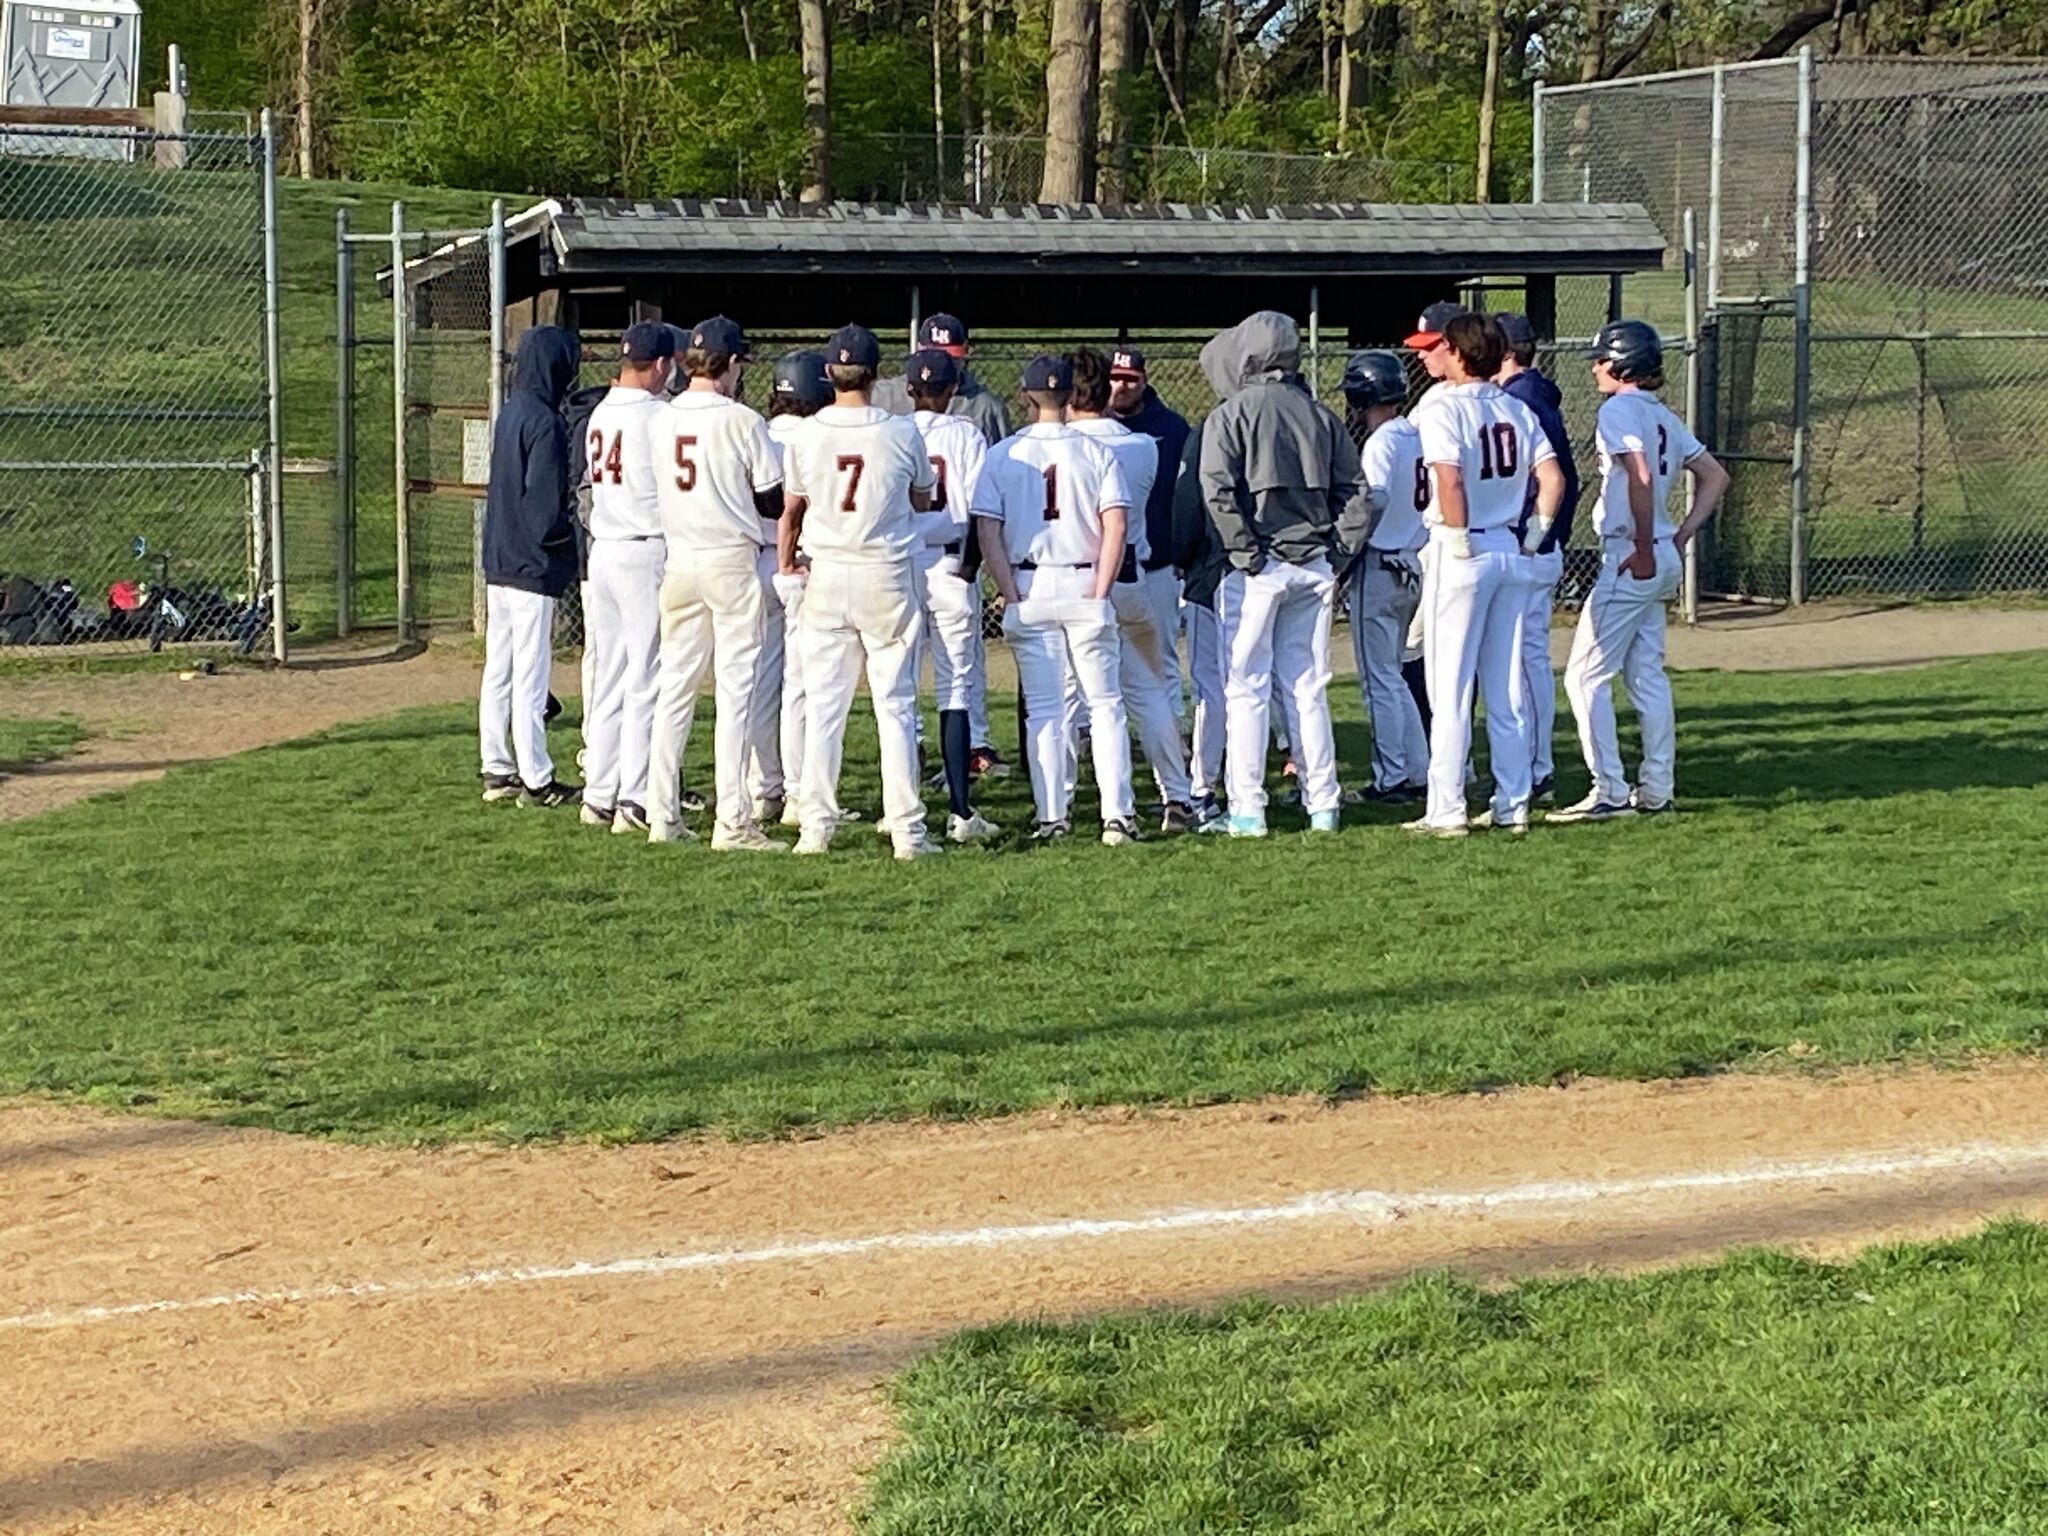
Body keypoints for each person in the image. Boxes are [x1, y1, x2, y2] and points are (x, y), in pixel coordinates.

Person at [1196, 310, 1370, 838]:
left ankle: (1248, 810)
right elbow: (1357, 493)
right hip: (1312, 565)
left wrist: (1246, 553)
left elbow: (1216, 490)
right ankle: (1324, 805)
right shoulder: (1320, 416)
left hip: (1257, 570)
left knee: (1246, 689)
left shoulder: (1229, 416)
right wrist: (1336, 553)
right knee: (1307, 688)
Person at [779, 323, 942, 860]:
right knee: (894, 706)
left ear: (830, 374)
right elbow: (924, 498)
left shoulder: (807, 434)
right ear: (875, 375)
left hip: (827, 567)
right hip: (885, 571)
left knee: (825, 705)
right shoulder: (901, 432)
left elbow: (794, 507)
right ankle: (907, 832)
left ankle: (815, 827)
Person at [1555, 319, 1730, 822]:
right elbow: (1715, 476)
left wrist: (1648, 544)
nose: (1594, 367)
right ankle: (1657, 789)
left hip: (1632, 553)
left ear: (1621, 364)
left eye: (1601, 359)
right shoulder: (1663, 416)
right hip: (1658, 548)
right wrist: (1677, 536)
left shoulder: (1618, 409)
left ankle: (1609, 790)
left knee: (1584, 677)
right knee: (1647, 676)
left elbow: (1640, 474)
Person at [1407, 312, 1566, 838]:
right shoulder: (1513, 406)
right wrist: (1534, 538)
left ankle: (1447, 807)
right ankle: (1512, 801)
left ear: (1456, 352)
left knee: (1449, 685)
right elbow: (1553, 479)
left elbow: (1448, 480)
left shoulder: (1440, 406)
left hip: (1465, 546)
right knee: (1505, 686)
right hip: (1509, 545)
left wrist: (1456, 540)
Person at [972, 354, 1138, 845]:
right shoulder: (1095, 452)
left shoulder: (1004, 454)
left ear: (1026, 396)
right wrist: (1101, 589)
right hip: (1085, 581)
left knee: (1045, 709)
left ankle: (1052, 817)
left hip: (1030, 584)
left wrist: (1008, 593)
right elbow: (1117, 525)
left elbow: (988, 530)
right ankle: (1117, 817)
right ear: (1071, 396)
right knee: (1105, 704)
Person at [645, 315, 785, 851]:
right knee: (736, 693)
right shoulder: (743, 420)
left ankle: (662, 813)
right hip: (729, 558)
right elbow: (771, 498)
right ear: (726, 364)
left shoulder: (662, 418)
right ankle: (732, 820)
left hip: (679, 558)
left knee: (674, 690)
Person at [1067, 346, 1195, 832]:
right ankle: (1176, 798)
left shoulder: (1050, 445)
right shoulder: (1142, 444)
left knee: (1074, 698)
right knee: (1150, 688)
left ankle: (1060, 808)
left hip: (1073, 581)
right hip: (1132, 579)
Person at [577, 321, 674, 833]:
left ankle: (599, 793)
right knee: (646, 676)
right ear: (659, 364)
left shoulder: (601, 408)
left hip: (605, 548)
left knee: (610, 676)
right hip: (644, 548)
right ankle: (635, 798)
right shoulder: (658, 414)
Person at [480, 325, 581, 808]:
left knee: (498, 668)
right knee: (531, 673)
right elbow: (544, 506)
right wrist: (563, 545)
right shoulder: (544, 420)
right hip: (530, 564)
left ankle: (496, 767)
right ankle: (536, 776)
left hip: (499, 558)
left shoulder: (511, 411)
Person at [905, 348, 1000, 843]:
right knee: (956, 687)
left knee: (898, 689)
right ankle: (962, 812)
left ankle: (900, 804)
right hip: (950, 562)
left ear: (908, 390)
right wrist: (969, 570)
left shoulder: (894, 431)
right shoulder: (966, 433)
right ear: (952, 390)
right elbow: (981, 509)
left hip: (902, 566)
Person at [1495, 312, 1582, 806]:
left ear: (1507, 352)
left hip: (1529, 546)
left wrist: (1534, 537)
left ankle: (1533, 767)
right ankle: (1537, 765)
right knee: (1529, 659)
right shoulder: (1537, 394)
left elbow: (1547, 481)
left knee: (1520, 662)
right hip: (1543, 545)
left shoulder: (1520, 400)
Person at [1340, 348, 1428, 803]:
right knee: (1395, 674)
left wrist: (1344, 557)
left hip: (1380, 562)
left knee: (1380, 680)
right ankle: (1417, 769)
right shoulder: (1414, 433)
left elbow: (1370, 504)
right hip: (1412, 561)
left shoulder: (1382, 442)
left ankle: (1391, 776)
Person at [754, 349, 833, 830]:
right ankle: (801, 794)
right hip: (801, 564)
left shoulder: (758, 429)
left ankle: (762, 787)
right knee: (802, 683)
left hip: (754, 563)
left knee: (759, 682)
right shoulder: (818, 436)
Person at [1107, 344, 1194, 723]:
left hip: (1157, 560)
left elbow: (1186, 492)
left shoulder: (1171, 428)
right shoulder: (1092, 427)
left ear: (1144, 381)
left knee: (1160, 653)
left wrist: (1179, 550)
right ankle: (1104, 735)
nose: (1121, 387)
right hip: (1103, 564)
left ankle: (1172, 728)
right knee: (1103, 652)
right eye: (1114, 379)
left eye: (1130, 380)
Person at [875, 312, 1012, 445]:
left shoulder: (986, 408)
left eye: (950, 359)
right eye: (933, 357)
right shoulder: (885, 396)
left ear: (965, 352)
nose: (941, 366)